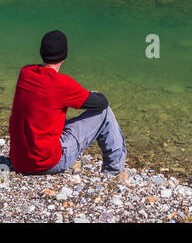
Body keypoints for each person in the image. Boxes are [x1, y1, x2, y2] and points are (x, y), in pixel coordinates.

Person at [8, 30, 127, 181]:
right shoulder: (61, 84)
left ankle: (113, 170)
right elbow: (102, 102)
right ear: (64, 56)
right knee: (104, 113)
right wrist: (92, 94)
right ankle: (113, 171)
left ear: (41, 52)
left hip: (18, 161)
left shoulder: (25, 73)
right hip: (47, 163)